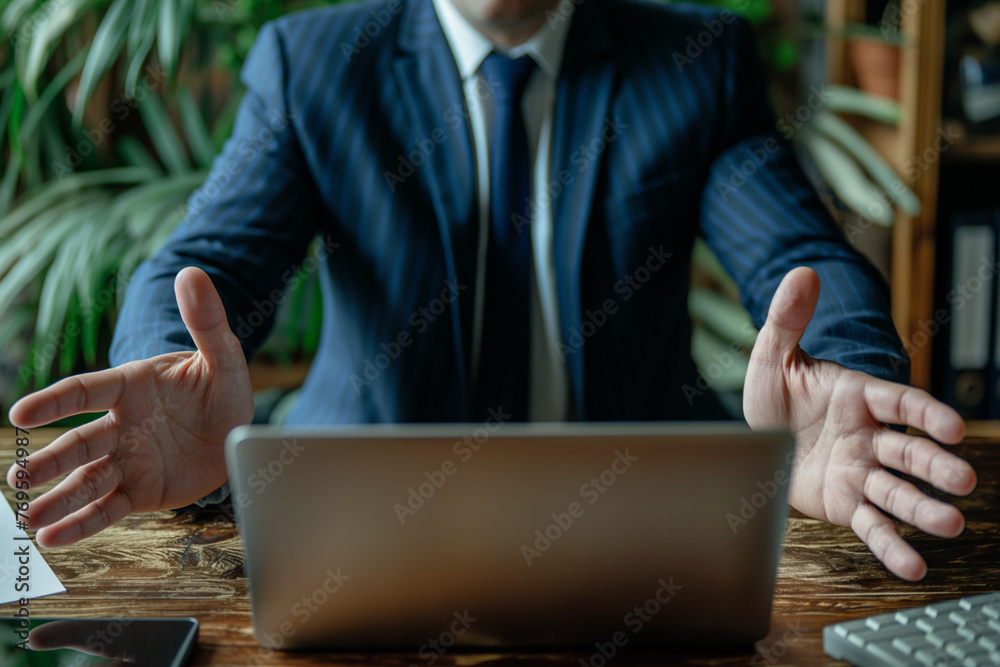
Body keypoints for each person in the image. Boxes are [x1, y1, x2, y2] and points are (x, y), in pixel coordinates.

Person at [7, 0, 974, 582]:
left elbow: (807, 258)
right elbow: (203, 263)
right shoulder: (313, 67)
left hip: (635, 531)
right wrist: (161, 369)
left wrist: (846, 377)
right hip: (359, 533)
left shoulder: (697, 63)